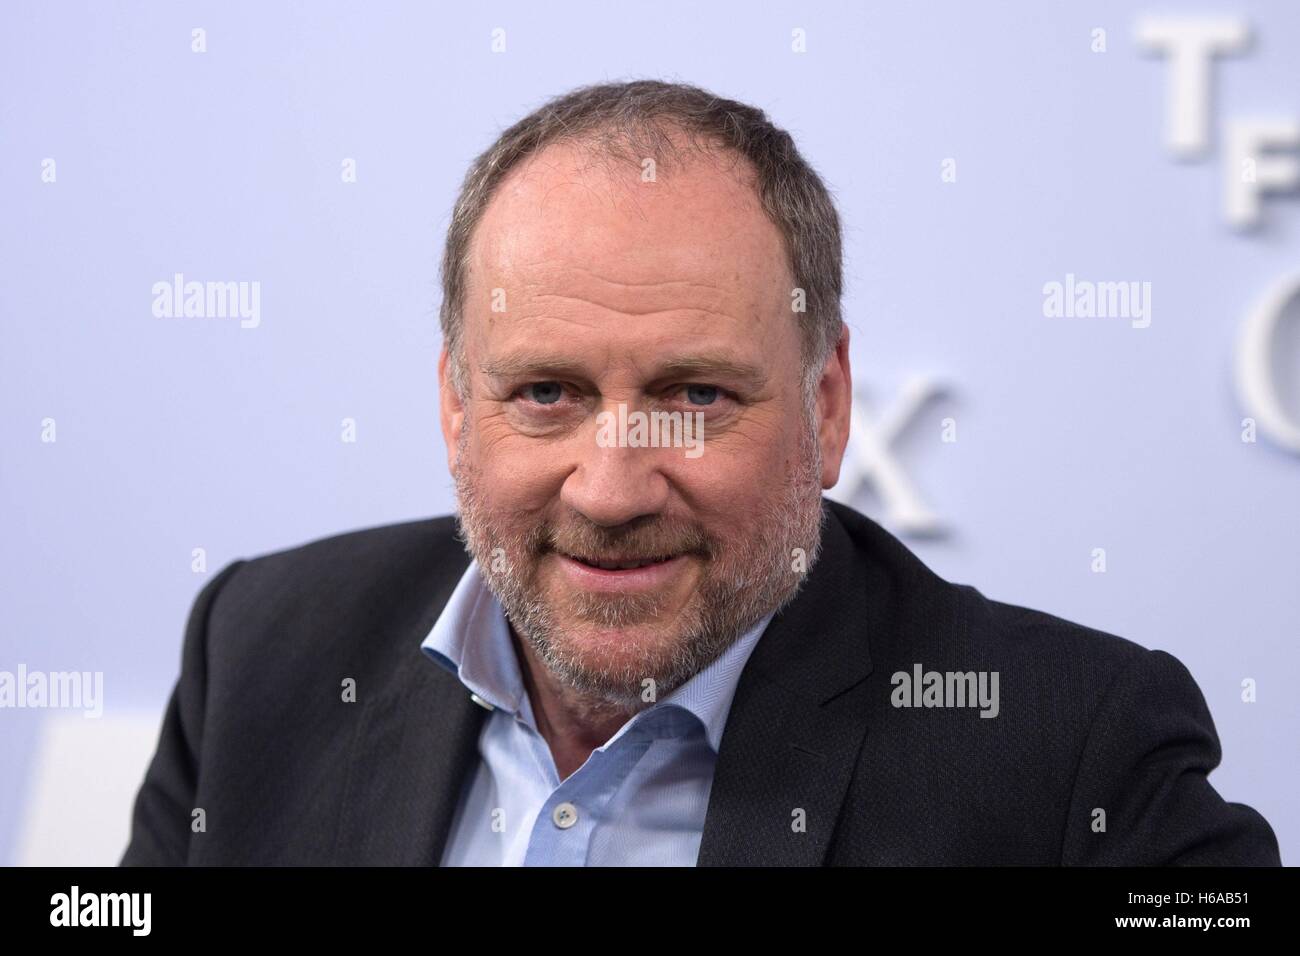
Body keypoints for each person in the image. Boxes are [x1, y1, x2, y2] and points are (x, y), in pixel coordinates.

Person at [121, 80, 1281, 866]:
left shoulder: (1070, 751)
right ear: (455, 404)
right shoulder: (261, 651)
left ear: (826, 410)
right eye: (546, 394)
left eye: (695, 397)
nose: (612, 489)